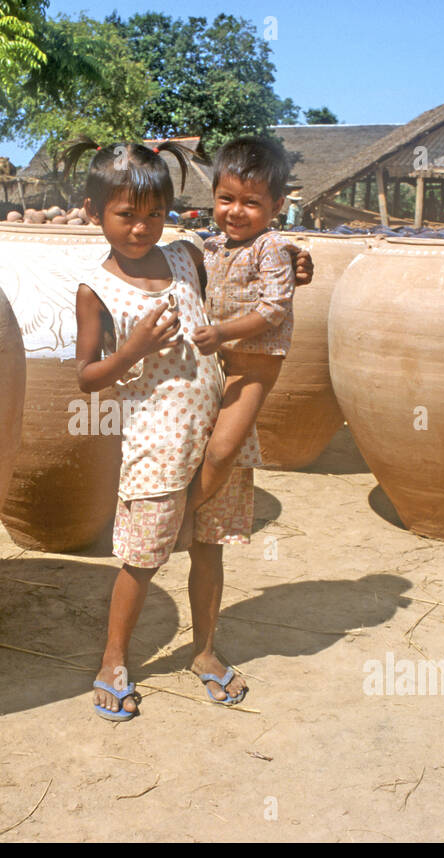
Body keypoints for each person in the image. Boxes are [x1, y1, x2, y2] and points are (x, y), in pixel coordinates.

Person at [66, 137, 311, 720]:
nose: (141, 227)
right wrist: (134, 349)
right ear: (93, 212)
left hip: (217, 421)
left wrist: (295, 254)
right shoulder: (94, 288)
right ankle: (113, 660)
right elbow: (87, 377)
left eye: (155, 214)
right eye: (126, 214)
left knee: (209, 549)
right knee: (142, 559)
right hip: (157, 442)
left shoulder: (185, 255)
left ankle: (203, 652)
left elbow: (245, 252)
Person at [179, 136, 295, 565]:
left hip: (256, 365)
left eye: (251, 202)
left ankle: (182, 514)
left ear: (276, 206)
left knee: (224, 449)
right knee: (200, 448)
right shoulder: (213, 247)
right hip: (220, 364)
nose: (235, 211)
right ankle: (191, 514)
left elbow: (274, 309)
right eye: (226, 198)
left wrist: (222, 332)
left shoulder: (273, 248)